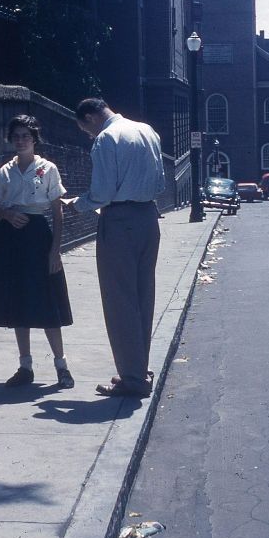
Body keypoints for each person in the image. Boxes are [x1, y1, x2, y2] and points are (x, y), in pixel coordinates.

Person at [64, 97, 165, 398]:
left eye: (86, 130)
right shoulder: (147, 131)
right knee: (142, 296)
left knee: (119, 300)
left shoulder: (106, 139)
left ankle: (133, 377)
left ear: (91, 117)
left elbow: (103, 192)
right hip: (149, 216)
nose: (88, 136)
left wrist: (76, 204)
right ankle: (138, 367)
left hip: (120, 220)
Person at [0, 115, 74, 388]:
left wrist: (54, 252)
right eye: (17, 136)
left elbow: (58, 214)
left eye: (26, 136)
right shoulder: (6, 171)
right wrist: (7, 214)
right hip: (11, 239)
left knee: (47, 303)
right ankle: (25, 366)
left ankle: (62, 366)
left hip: (38, 237)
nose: (21, 141)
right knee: (18, 302)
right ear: (11, 139)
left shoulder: (48, 169)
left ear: (34, 139)